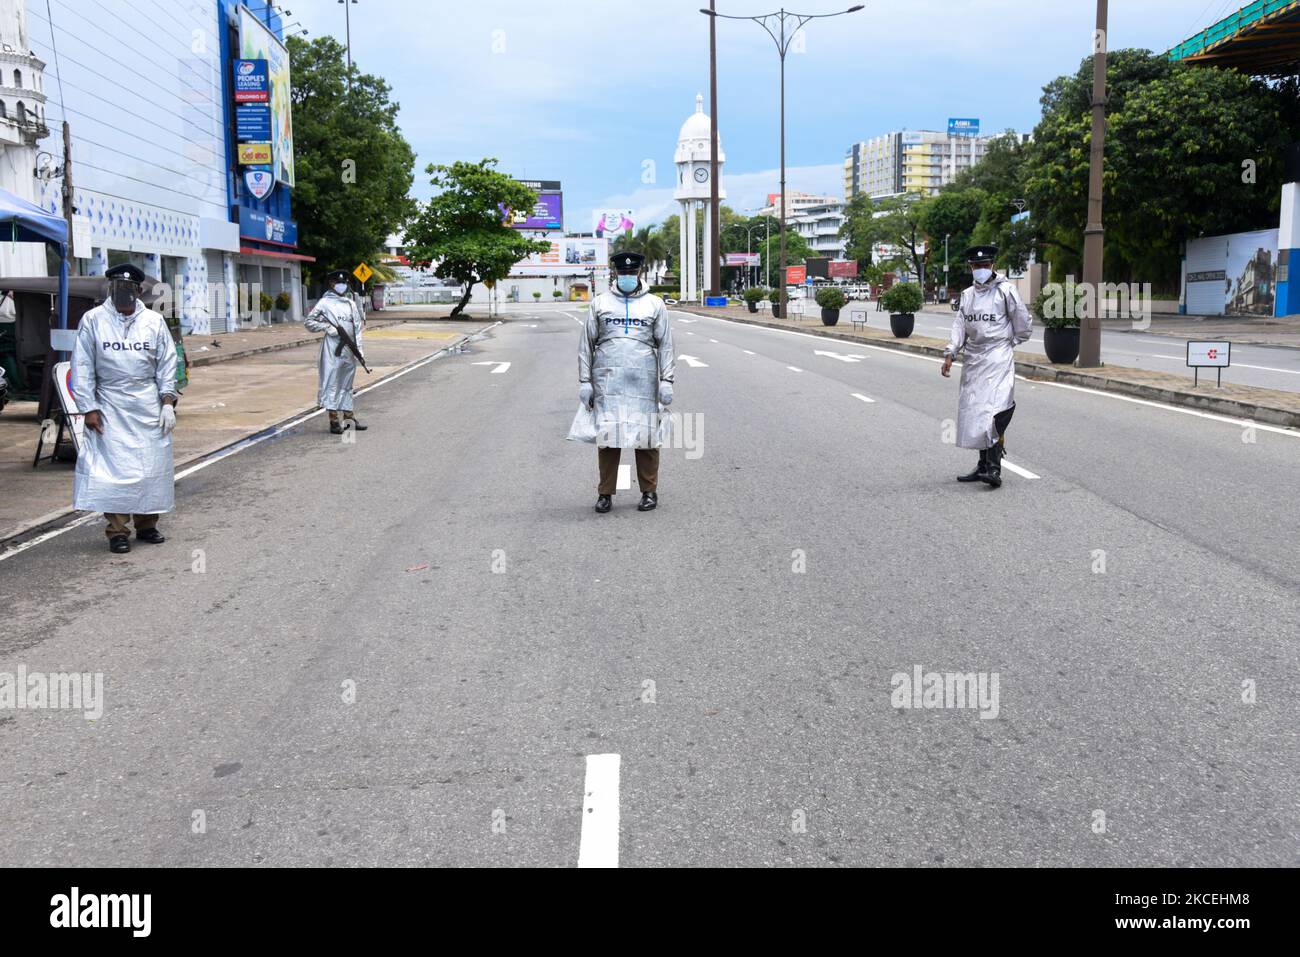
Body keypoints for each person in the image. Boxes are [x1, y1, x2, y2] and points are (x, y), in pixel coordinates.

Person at [70, 264, 179, 553]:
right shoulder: (93, 320)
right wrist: (89, 408)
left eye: (129, 290)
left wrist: (167, 402)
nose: (123, 295)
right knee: (114, 470)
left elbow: (167, 364)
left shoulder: (154, 322)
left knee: (150, 468)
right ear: (110, 289)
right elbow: (81, 365)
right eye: (117, 288)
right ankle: (117, 530)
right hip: (109, 404)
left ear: (139, 291)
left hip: (147, 404)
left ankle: (147, 524)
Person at [574, 251, 675, 513]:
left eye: (632, 273)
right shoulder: (600, 303)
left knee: (647, 437)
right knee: (608, 437)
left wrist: (667, 380)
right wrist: (585, 381)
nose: (628, 277)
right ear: (616, 273)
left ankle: (649, 491)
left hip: (644, 378)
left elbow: (665, 344)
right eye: (624, 273)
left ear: (639, 273)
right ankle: (605, 493)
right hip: (608, 379)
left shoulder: (655, 304)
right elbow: (587, 344)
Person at [940, 245, 1032, 489]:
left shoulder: (1006, 291)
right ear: (971, 267)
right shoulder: (968, 295)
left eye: (984, 265)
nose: (980, 269)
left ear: (992, 265)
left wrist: (1009, 342)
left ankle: (994, 467)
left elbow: (1023, 323)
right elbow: (960, 326)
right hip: (974, 358)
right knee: (976, 411)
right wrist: (951, 352)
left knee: (996, 410)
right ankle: (982, 465)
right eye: (976, 266)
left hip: (998, 356)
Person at [304, 269, 366, 434]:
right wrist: (327, 327)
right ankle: (333, 420)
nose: (341, 285)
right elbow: (309, 322)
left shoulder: (351, 304)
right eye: (338, 283)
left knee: (346, 384)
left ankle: (349, 417)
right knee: (331, 383)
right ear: (331, 284)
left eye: (344, 283)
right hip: (332, 349)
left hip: (349, 349)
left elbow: (357, 329)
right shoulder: (324, 303)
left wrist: (359, 350)